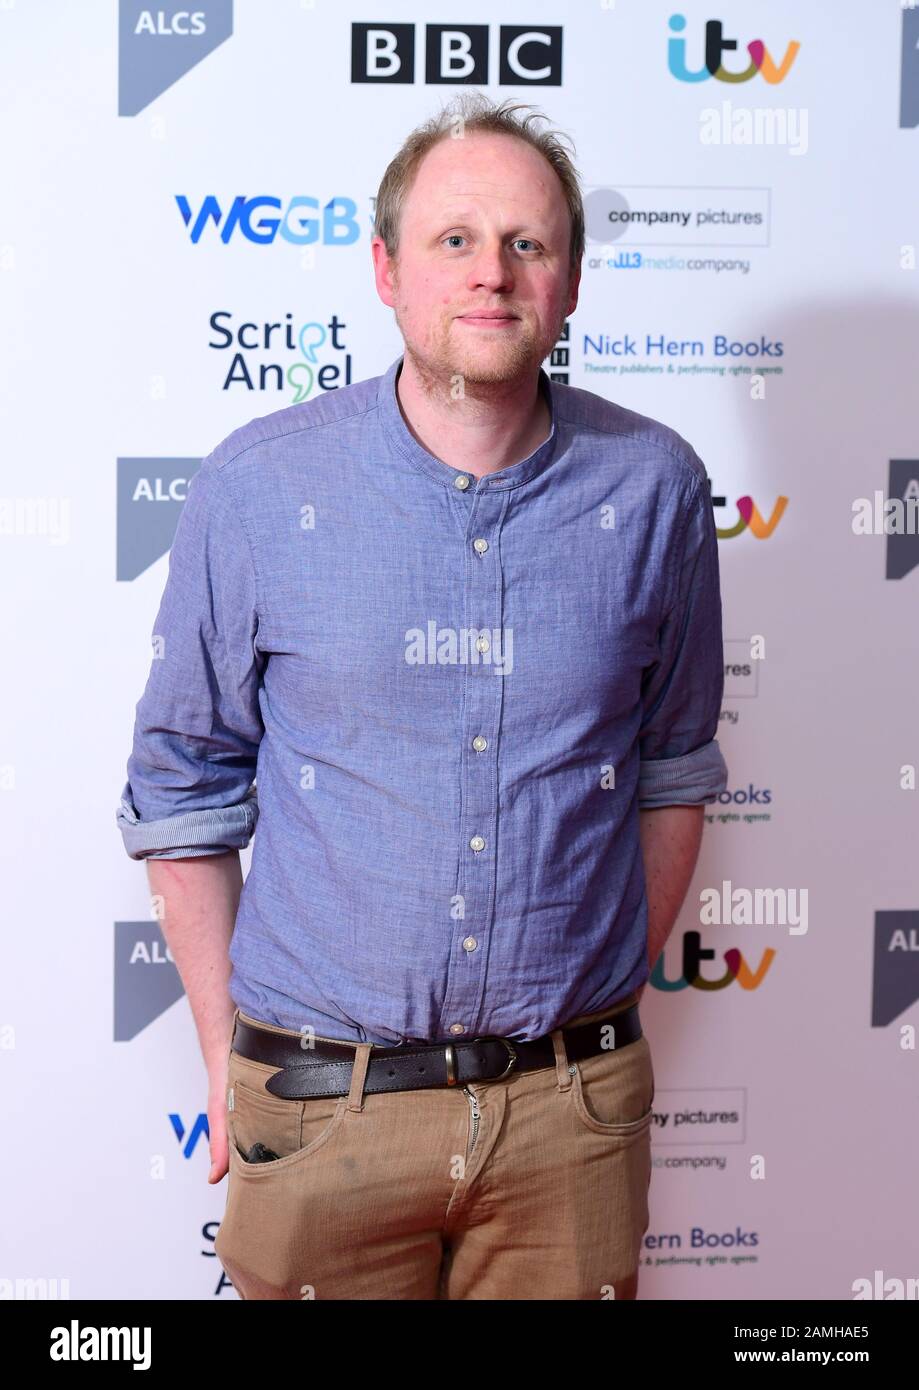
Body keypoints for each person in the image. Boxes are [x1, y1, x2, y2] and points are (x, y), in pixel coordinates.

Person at [116, 93, 728, 1301]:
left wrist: (587, 1029)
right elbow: (180, 788)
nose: (491, 273)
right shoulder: (258, 487)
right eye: (454, 240)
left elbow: (672, 770)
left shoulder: (655, 490)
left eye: (527, 243)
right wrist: (221, 1051)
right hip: (321, 1110)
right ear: (387, 270)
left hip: (569, 1130)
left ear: (571, 281)